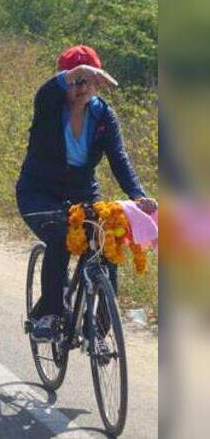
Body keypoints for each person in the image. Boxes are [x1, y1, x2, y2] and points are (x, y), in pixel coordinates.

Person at [18, 46, 155, 340]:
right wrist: (81, 71)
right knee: (62, 238)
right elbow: (48, 90)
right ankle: (50, 314)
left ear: (97, 84)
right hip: (39, 192)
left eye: (89, 82)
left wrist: (137, 195)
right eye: (76, 81)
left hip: (82, 191)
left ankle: (101, 329)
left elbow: (119, 158)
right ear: (64, 81)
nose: (82, 88)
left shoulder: (103, 115)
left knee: (107, 240)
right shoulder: (48, 105)